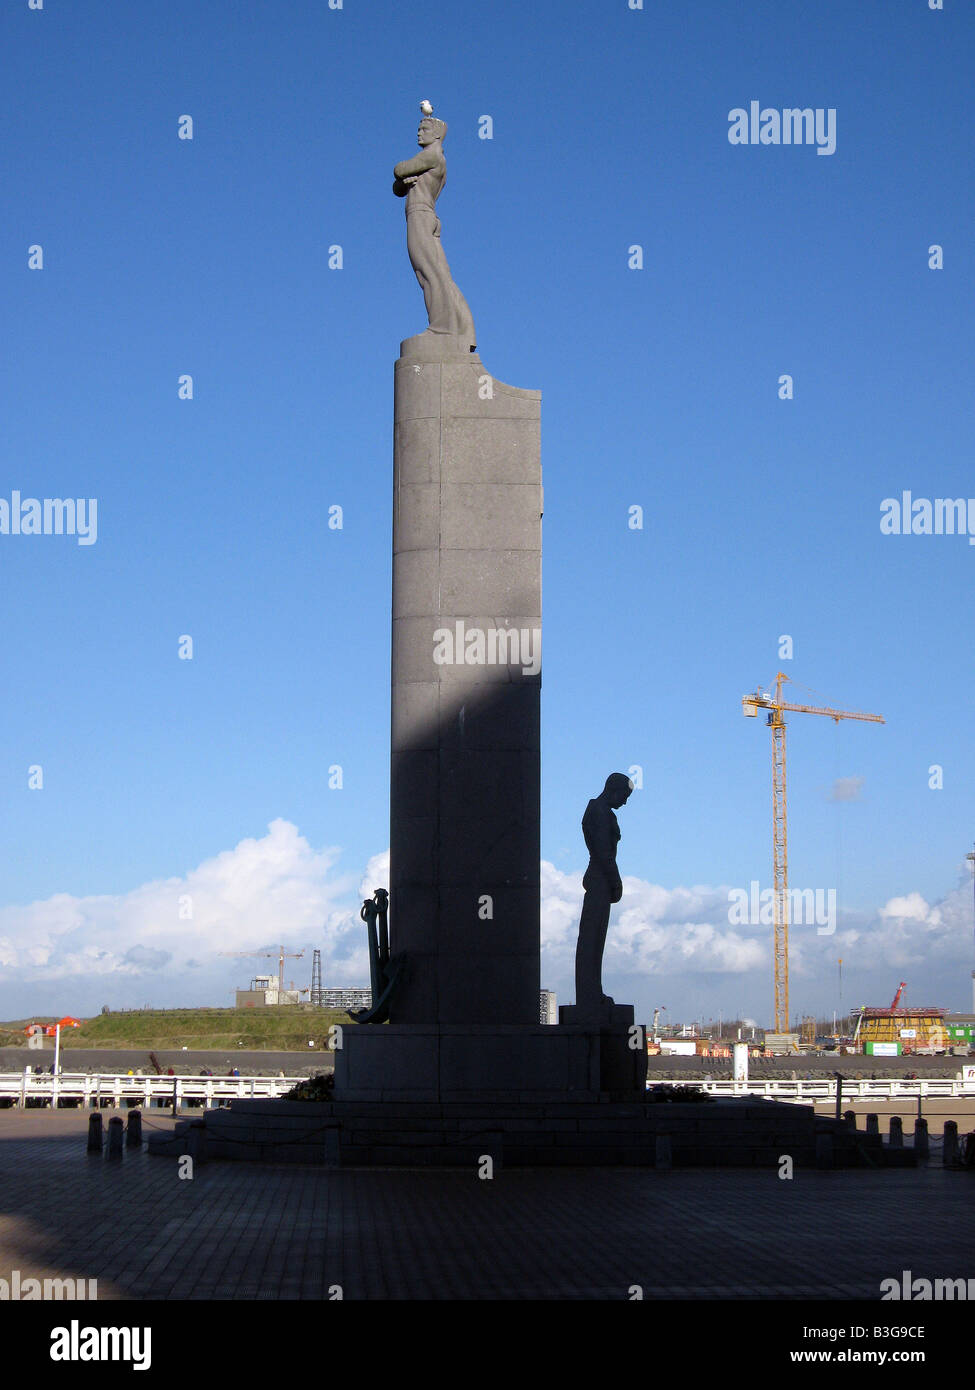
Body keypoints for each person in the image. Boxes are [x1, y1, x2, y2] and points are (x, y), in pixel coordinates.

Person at [393, 114, 476, 345]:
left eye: (424, 128)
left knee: (427, 272)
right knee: (440, 274)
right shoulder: (430, 158)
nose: (419, 132)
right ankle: (463, 329)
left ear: (437, 134)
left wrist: (403, 176)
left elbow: (399, 169)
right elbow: (398, 186)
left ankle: (441, 328)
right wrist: (404, 182)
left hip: (421, 215)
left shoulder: (431, 155)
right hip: (426, 216)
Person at [573, 773, 634, 1020]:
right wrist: (616, 882)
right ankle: (589, 994)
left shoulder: (601, 812)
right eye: (624, 796)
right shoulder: (598, 812)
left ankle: (592, 992)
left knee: (596, 939)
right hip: (599, 881)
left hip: (600, 881)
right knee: (592, 940)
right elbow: (603, 853)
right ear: (613, 790)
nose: (625, 802)